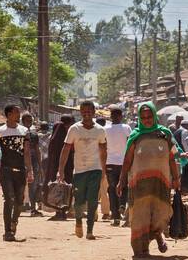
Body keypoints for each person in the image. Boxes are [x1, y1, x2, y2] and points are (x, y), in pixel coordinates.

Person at [118, 102, 179, 258]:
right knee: (140, 216)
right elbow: (127, 160)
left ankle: (158, 234)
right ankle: (141, 249)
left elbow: (172, 158)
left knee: (160, 213)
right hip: (139, 186)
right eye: (143, 117)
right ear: (139, 118)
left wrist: (176, 178)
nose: (147, 120)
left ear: (154, 116)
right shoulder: (135, 136)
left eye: (149, 116)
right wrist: (121, 180)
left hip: (161, 183)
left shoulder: (165, 133)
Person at [56, 101, 108, 240]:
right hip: (79, 171)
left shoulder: (100, 130)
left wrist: (103, 169)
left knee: (92, 201)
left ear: (94, 112)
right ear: (80, 112)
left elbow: (103, 150)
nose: (86, 114)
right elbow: (66, 149)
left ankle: (90, 230)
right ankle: (78, 221)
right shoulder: (74, 129)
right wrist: (61, 169)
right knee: (79, 201)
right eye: (84, 111)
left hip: (95, 169)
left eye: (89, 111)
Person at [0, 104, 33, 241]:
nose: (19, 114)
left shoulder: (24, 131)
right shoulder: (0, 132)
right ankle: (7, 231)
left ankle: (14, 221)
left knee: (20, 201)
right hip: (6, 171)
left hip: (20, 171)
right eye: (16, 112)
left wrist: (30, 170)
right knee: (9, 199)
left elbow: (27, 152)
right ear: (9, 114)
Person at [43, 115, 75, 220]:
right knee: (64, 188)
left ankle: (60, 212)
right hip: (67, 167)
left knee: (59, 189)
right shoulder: (67, 138)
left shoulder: (57, 138)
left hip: (59, 168)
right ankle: (62, 211)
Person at [104, 106, 132, 226]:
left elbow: (103, 146)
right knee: (124, 186)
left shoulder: (105, 129)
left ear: (111, 116)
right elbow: (130, 144)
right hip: (123, 163)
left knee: (112, 189)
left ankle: (115, 216)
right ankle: (122, 204)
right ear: (121, 116)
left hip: (109, 162)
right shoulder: (126, 128)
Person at [22, 112, 43, 215]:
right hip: (21, 162)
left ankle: (33, 207)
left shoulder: (34, 135)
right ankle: (20, 206)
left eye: (30, 121)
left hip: (33, 162)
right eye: (27, 121)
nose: (29, 123)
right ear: (22, 121)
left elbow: (37, 150)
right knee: (21, 185)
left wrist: (40, 165)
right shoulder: (19, 133)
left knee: (33, 186)